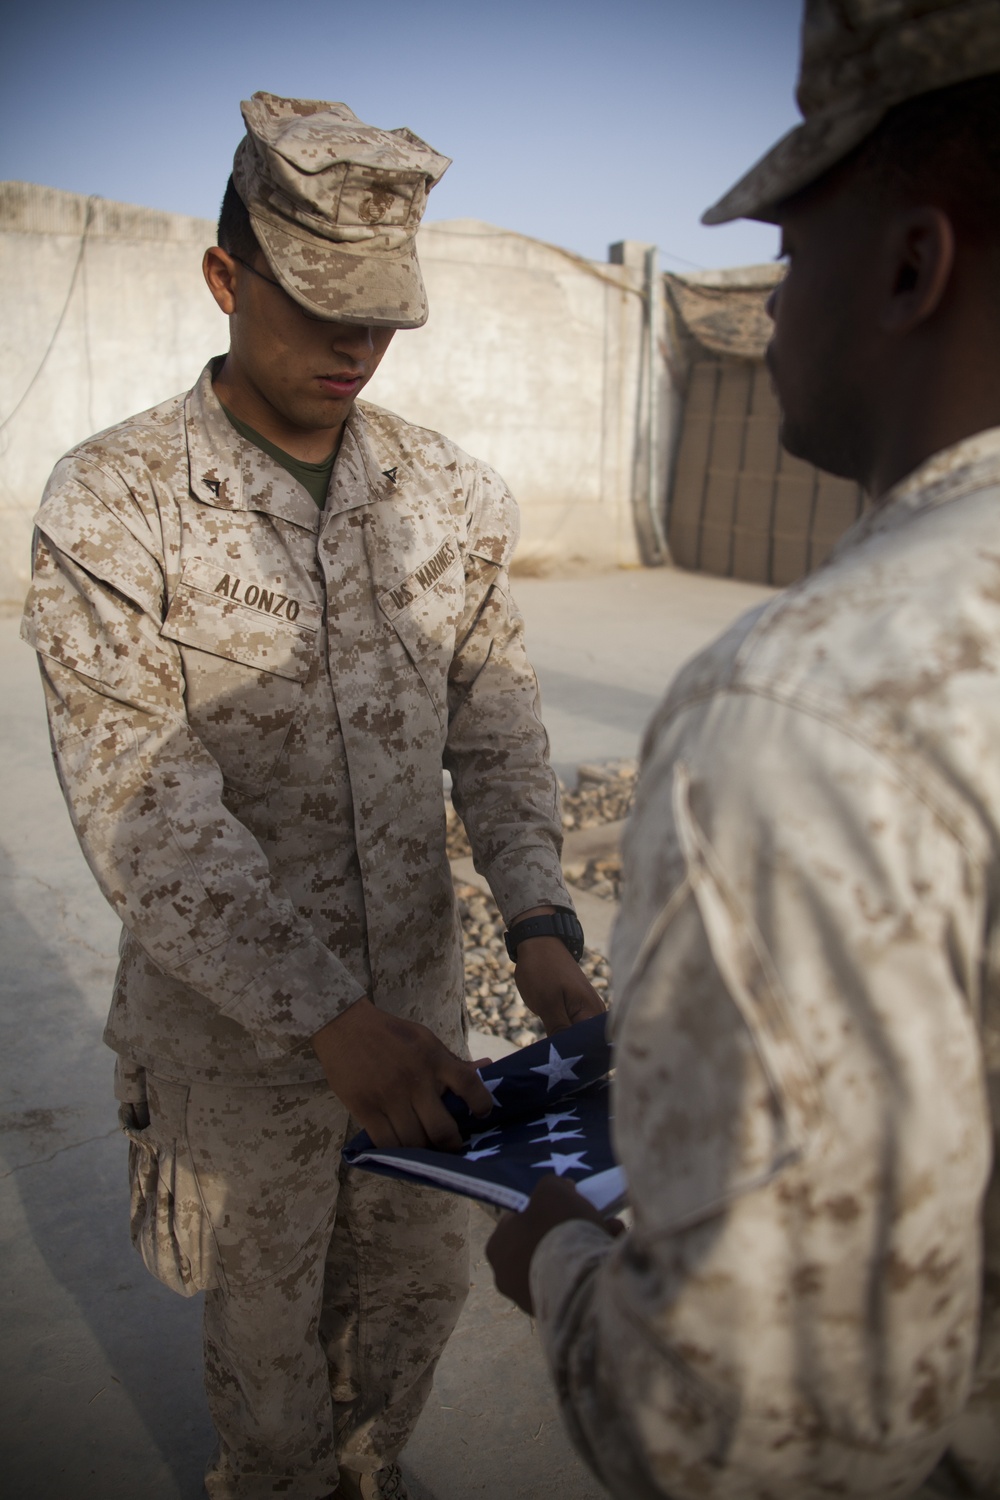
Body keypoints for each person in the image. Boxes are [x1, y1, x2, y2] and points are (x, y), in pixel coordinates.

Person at [20, 93, 603, 1500]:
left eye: (384, 315)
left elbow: (498, 725)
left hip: (420, 1023)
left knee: (408, 1328)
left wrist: (537, 922)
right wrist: (321, 1018)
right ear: (228, 280)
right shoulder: (114, 506)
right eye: (320, 305)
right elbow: (138, 805)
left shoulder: (449, 499)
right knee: (269, 1384)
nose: (357, 345)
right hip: (233, 1049)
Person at [487, 3, 1000, 1496]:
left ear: (912, 264)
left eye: (788, 254)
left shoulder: (807, 703)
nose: (771, 311)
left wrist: (562, 1260)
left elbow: (759, 1441)